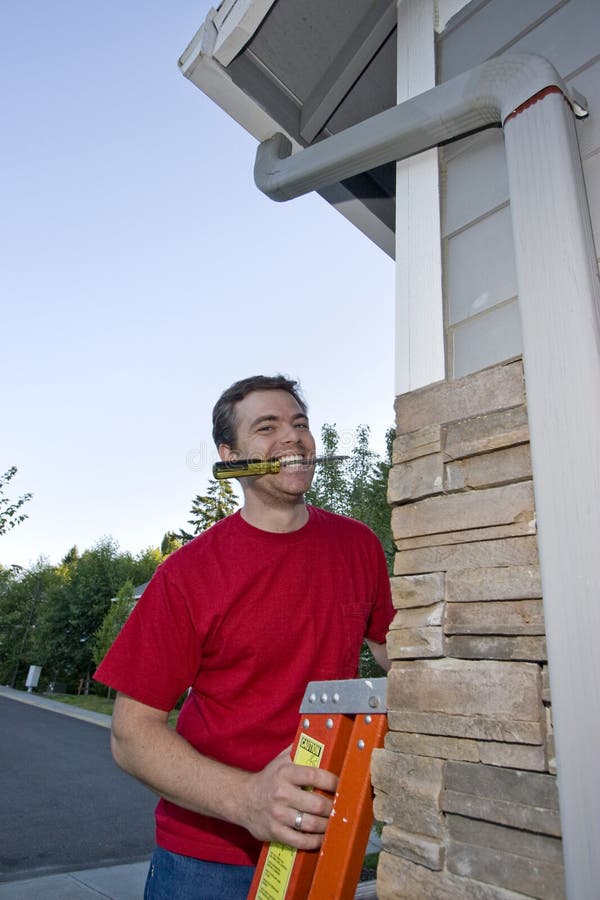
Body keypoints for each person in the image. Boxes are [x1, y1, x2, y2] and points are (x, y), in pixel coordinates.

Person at [94, 374, 393, 900]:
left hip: (322, 843)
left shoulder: (359, 546)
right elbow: (130, 735)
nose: (294, 438)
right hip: (206, 863)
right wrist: (247, 799)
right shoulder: (187, 575)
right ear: (230, 455)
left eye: (300, 424)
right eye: (267, 426)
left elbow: (397, 654)